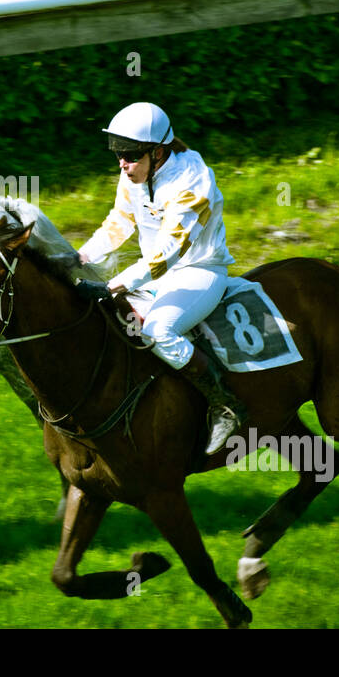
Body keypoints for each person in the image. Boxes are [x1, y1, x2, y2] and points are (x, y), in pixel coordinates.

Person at [76, 101, 246, 456]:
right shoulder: (133, 175)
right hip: (157, 274)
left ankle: (225, 406)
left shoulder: (193, 181)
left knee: (157, 331)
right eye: (117, 153)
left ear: (158, 151)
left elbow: (168, 252)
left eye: (131, 155)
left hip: (200, 272)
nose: (122, 164)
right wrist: (80, 257)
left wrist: (112, 286)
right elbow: (119, 222)